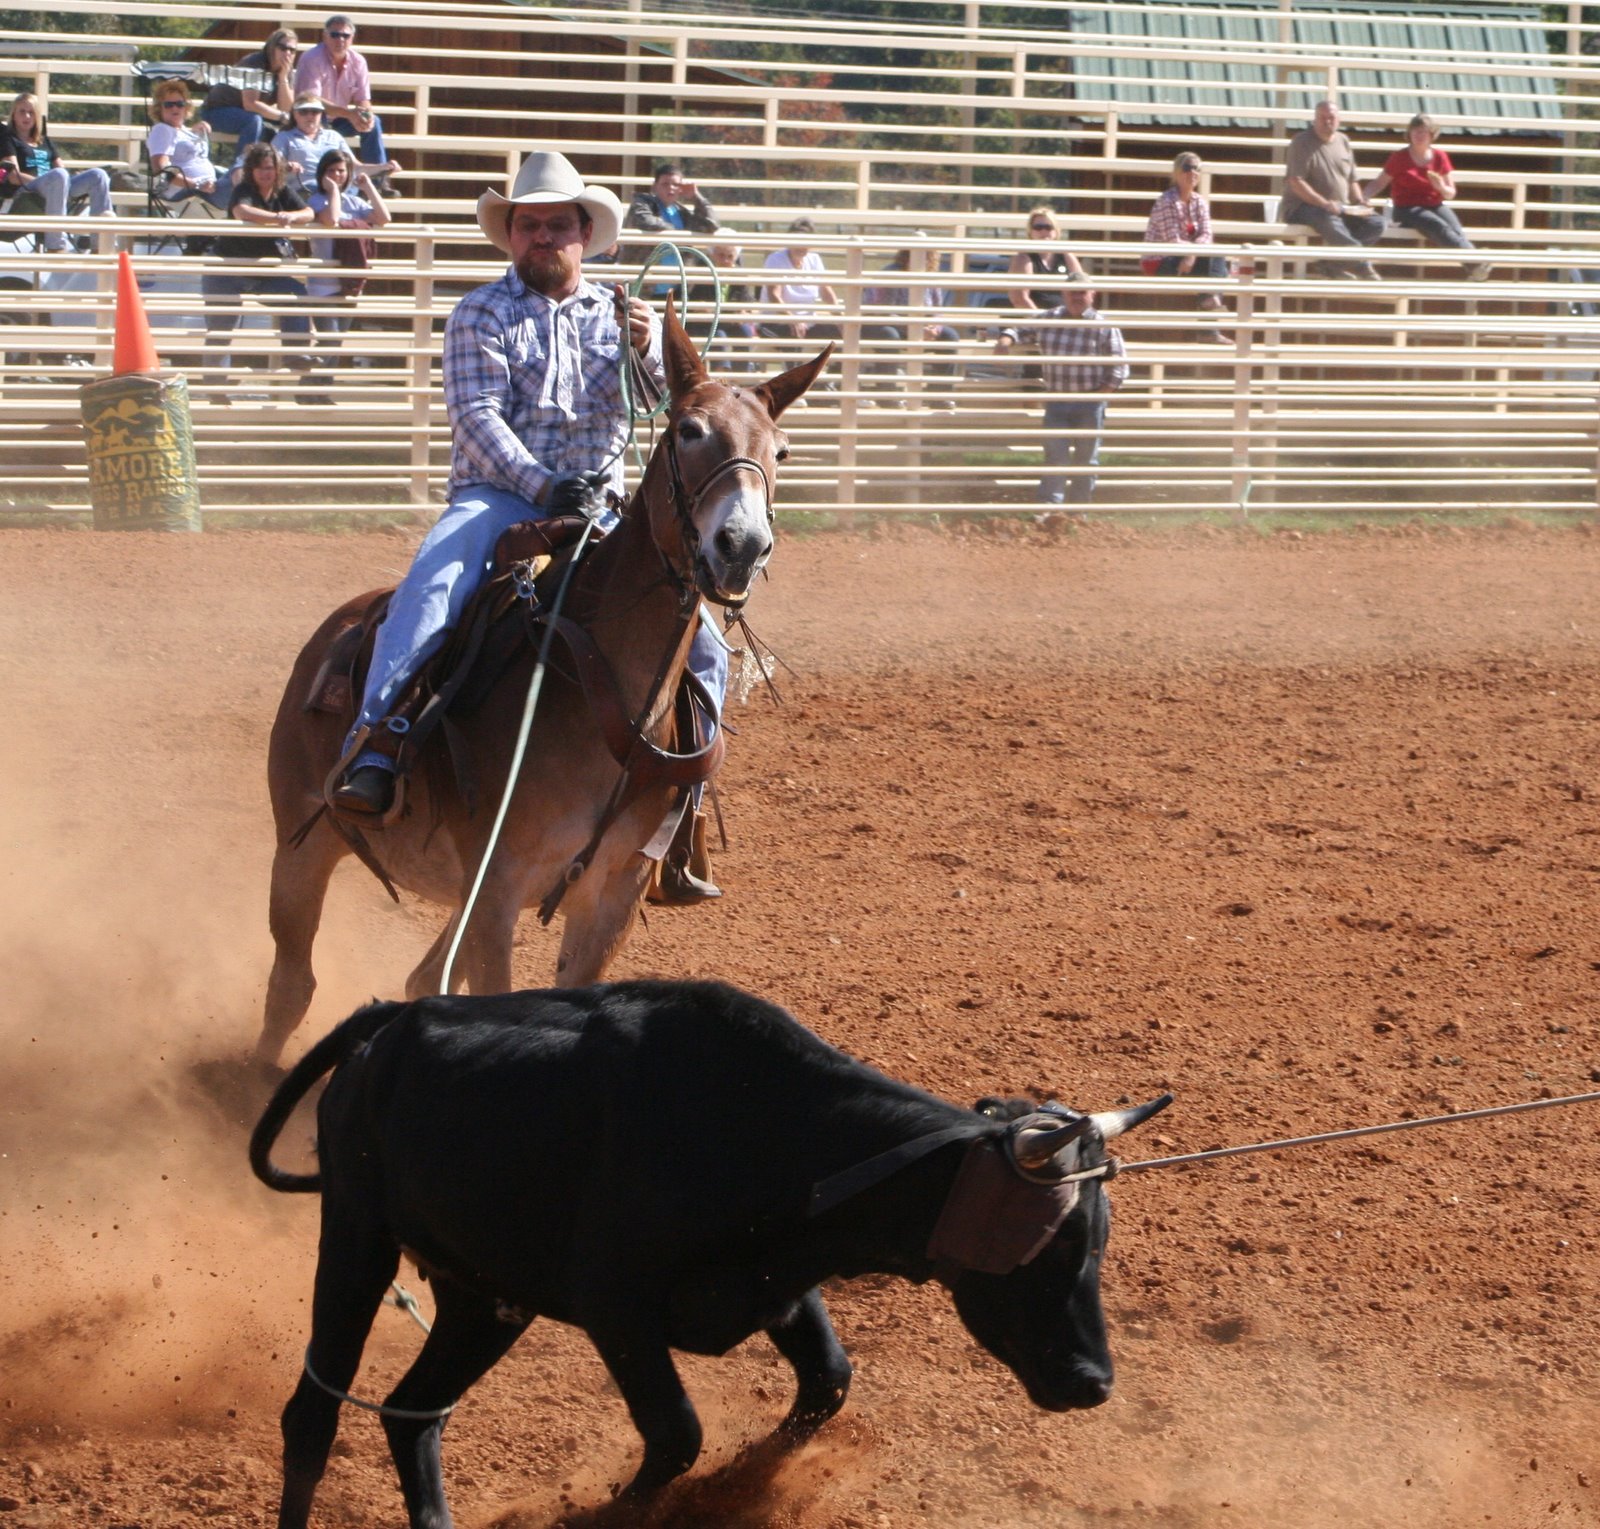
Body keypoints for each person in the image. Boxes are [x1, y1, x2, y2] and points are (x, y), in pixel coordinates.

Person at [333, 148, 728, 902]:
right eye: (527, 224)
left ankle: (681, 811)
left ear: (585, 234)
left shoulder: (621, 315)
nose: (541, 236)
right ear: (510, 236)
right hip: (502, 499)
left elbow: (666, 409)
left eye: (555, 224)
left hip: (607, 513)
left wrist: (648, 349)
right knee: (435, 586)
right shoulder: (479, 311)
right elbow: (477, 421)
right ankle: (373, 744)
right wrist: (547, 484)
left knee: (703, 645)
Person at [201, 142, 316, 401]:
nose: (266, 173)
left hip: (262, 270)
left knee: (295, 293)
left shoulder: (283, 190)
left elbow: (308, 212)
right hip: (225, 268)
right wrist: (279, 218)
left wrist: (291, 216)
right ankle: (216, 390)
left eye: (271, 168)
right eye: (261, 168)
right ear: (251, 170)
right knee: (221, 330)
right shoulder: (243, 189)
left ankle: (296, 352)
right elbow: (242, 211)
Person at [303, 146, 390, 401]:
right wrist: (331, 190)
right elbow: (331, 220)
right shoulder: (317, 199)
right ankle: (307, 386)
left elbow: (384, 217)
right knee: (329, 339)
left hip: (349, 281)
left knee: (337, 341)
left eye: (341, 171)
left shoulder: (355, 201)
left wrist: (368, 187)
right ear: (322, 173)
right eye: (331, 170)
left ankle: (320, 391)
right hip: (323, 282)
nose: (337, 175)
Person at [1364, 113, 1491, 281]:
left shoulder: (1439, 156)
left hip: (1435, 204)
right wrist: (1363, 197)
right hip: (1406, 208)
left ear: (1432, 135)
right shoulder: (1399, 157)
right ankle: (1477, 262)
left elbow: (1450, 193)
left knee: (1456, 230)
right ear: (1409, 134)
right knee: (1438, 226)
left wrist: (1440, 187)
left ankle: (1474, 270)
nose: (1419, 135)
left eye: (1423, 132)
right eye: (1415, 131)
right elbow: (1380, 182)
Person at [1034, 279, 1127, 507]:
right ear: (1063, 293)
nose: (1076, 297)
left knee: (1086, 460)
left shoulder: (1103, 325)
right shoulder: (1049, 318)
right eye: (1072, 292)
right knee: (1055, 456)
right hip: (1057, 399)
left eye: (1082, 292)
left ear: (1092, 294)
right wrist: (1007, 338)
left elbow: (1120, 366)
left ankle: (1078, 511)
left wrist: (1099, 396)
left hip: (1089, 400)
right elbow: (1021, 329)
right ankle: (1050, 510)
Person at [1279, 99, 1387, 280]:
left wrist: (1360, 201)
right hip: (1301, 206)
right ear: (1314, 119)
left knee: (1376, 223)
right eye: (1322, 117)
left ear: (1339, 120)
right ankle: (1362, 265)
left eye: (1331, 117)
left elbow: (1352, 179)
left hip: (1340, 207)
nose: (1327, 121)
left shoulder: (1343, 141)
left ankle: (1332, 264)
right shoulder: (1301, 142)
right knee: (1328, 218)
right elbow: (1296, 182)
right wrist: (1324, 204)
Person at [0, 91, 112, 250]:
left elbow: (61, 168)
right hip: (29, 191)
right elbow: (12, 175)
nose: (27, 116)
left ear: (37, 116)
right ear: (14, 115)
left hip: (56, 185)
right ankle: (55, 245)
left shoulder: (44, 140)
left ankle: (100, 245)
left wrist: (69, 179)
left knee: (98, 175)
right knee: (58, 176)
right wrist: (48, 183)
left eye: (31, 112)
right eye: (22, 111)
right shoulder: (8, 139)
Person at [293, 15, 396, 188]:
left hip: (341, 118)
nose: (340, 39)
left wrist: (365, 115)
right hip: (313, 117)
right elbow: (312, 101)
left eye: (345, 36)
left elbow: (363, 100)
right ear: (324, 36)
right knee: (319, 117)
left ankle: (378, 182)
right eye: (335, 35)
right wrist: (350, 114)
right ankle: (321, 181)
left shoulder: (359, 61)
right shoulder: (311, 58)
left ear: (352, 39)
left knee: (374, 122)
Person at [862, 244, 960, 407]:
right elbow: (882, 310)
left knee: (950, 336)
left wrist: (934, 327)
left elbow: (938, 309)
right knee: (889, 336)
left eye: (928, 256)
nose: (925, 261)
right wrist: (913, 327)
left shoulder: (930, 278)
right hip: (885, 324)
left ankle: (939, 395)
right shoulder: (890, 274)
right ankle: (886, 394)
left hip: (918, 327)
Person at [1144, 151, 1230, 317]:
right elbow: (1172, 240)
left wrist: (1192, 255)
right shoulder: (1166, 201)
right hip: (1161, 260)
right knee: (1217, 270)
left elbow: (1206, 234)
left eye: (1197, 168)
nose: (1193, 172)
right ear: (1177, 172)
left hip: (1188, 258)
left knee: (1216, 257)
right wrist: (1193, 254)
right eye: (1187, 168)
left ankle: (1208, 301)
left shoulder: (1199, 201)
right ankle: (1209, 325)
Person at [200, 27, 299, 155]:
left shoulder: (287, 71)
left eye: (292, 50)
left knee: (285, 128)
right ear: (272, 47)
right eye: (283, 48)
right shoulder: (255, 63)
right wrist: (282, 116)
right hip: (216, 110)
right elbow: (250, 104)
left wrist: (282, 77)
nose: (288, 53)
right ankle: (242, 167)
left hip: (244, 113)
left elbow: (286, 108)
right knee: (253, 121)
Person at [624, 162, 718, 286]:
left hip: (678, 287)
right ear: (655, 186)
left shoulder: (683, 213)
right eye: (665, 184)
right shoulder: (642, 203)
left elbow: (711, 225)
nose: (671, 188)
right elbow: (646, 222)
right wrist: (677, 234)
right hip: (645, 285)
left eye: (676, 184)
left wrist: (697, 197)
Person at [274, 93, 386, 193]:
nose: (309, 116)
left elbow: (356, 167)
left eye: (315, 112)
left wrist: (383, 167)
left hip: (339, 190)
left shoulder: (334, 136)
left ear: (321, 114)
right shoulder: (284, 137)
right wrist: (287, 166)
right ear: (295, 114)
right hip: (306, 191)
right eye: (303, 112)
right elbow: (273, 164)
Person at [760, 217, 843, 351]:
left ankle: (837, 370)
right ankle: (795, 372)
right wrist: (793, 320)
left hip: (808, 325)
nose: (801, 246)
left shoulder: (814, 260)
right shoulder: (775, 259)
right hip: (777, 323)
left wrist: (841, 322)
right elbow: (774, 295)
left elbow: (827, 294)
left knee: (839, 337)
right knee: (793, 339)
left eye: (806, 242)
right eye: (797, 241)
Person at [144, 81, 222, 207]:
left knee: (244, 172)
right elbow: (161, 170)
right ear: (159, 108)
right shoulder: (162, 130)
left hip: (208, 187)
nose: (175, 108)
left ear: (186, 107)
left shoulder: (184, 131)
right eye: (169, 105)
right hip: (190, 193)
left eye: (180, 104)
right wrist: (197, 185)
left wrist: (195, 130)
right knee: (242, 175)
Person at [1006, 205, 1086, 315]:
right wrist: (1043, 324)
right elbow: (1019, 299)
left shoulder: (1067, 256)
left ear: (1056, 232)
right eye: (1038, 227)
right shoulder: (1023, 259)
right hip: (1031, 323)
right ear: (1030, 232)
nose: (1043, 231)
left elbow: (1083, 291)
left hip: (1063, 322)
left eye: (1048, 227)